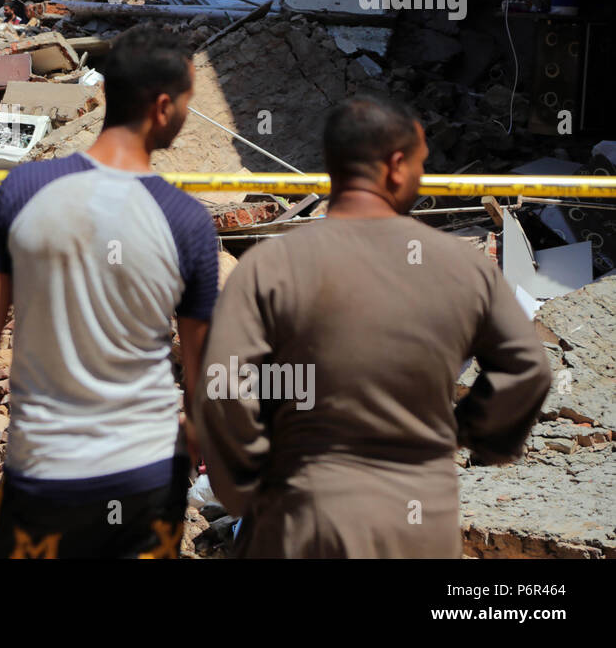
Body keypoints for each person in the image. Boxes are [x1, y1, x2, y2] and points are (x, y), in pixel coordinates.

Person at [195, 96, 553, 558]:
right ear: (398, 165)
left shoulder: (269, 268)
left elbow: (224, 389)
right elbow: (528, 371)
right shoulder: (461, 268)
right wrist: (468, 434)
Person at [0, 24, 219, 558]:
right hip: (145, 483)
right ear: (162, 107)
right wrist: (196, 434)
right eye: (186, 104)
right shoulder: (187, 222)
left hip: (43, 478)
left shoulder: (24, 192)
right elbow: (204, 371)